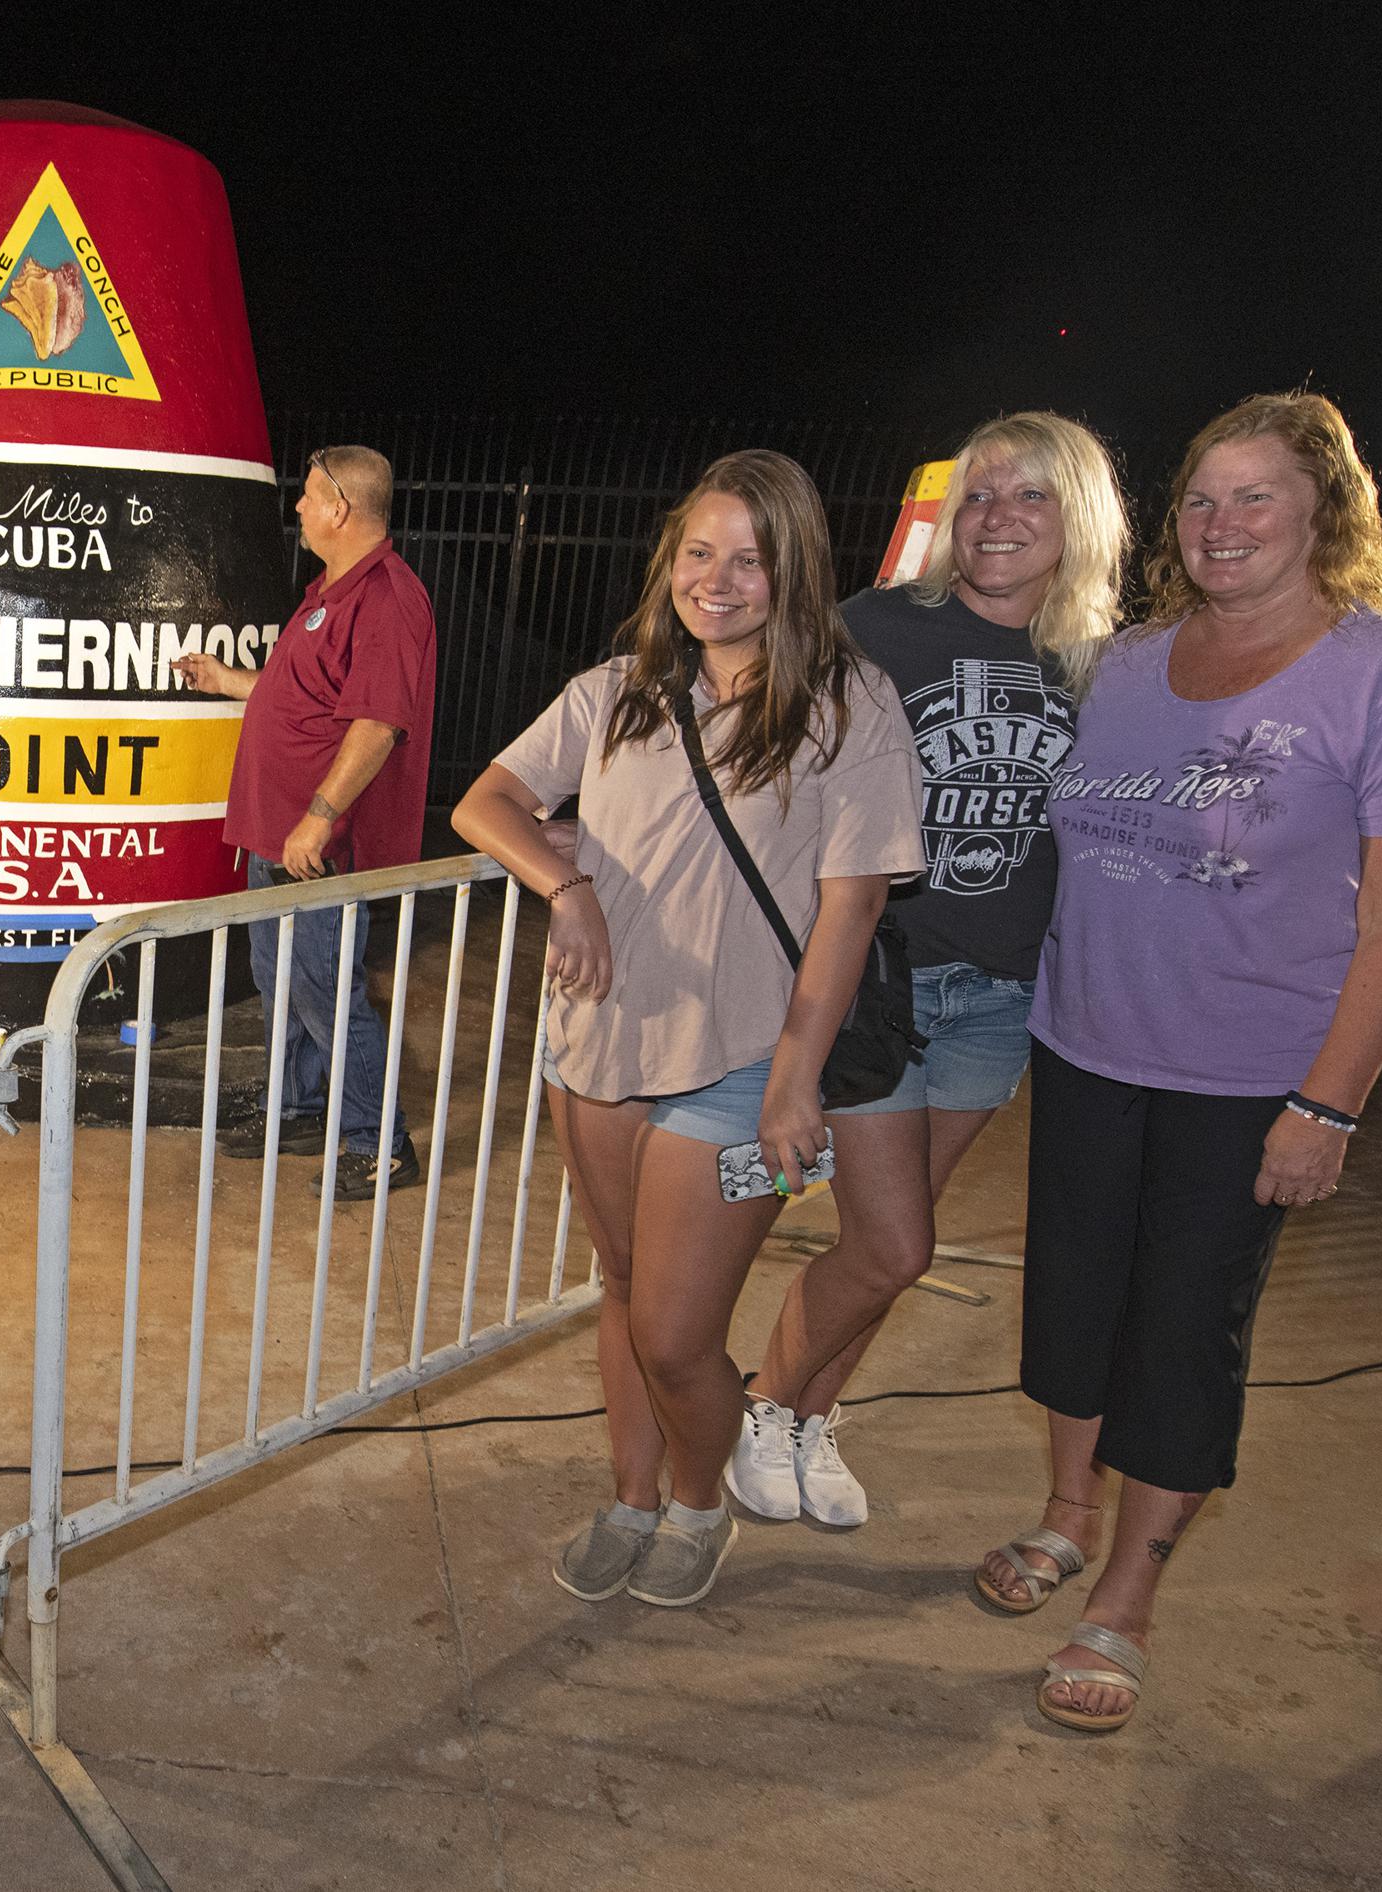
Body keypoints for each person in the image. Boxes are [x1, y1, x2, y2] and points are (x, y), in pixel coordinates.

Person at [986, 391, 1382, 1733]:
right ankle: (1065, 1515)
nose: (1219, 525)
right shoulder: (1135, 660)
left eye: (1255, 497)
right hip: (1087, 1048)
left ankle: (1126, 1601)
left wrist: (1326, 1105)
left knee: (1181, 1339)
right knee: (1077, 1306)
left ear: (1327, 511)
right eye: (1202, 498)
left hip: (1250, 1078)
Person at [452, 449, 923, 1608]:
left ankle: (700, 1498)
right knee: (621, 1285)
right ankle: (629, 1494)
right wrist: (566, 887)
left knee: (672, 1330)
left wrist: (796, 1080)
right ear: (671, 560)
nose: (718, 579)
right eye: (700, 553)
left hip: (742, 1060)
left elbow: (852, 903)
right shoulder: (613, 691)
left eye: (751, 558)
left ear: (794, 571)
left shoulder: (848, 705)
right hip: (597, 1046)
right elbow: (486, 800)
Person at [727, 413, 1131, 1528]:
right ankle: (765, 1402)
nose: (1000, 519)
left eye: (1031, 497)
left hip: (1001, 999)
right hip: (881, 985)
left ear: (1077, 521)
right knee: (896, 1243)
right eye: (983, 497)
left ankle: (812, 1420)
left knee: (883, 1247)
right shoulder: (879, 627)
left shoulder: (1103, 663)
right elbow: (753, 741)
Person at [175, 445, 437, 1201]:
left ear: (342, 509)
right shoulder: (331, 588)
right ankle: (297, 1107)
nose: (297, 508)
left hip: (317, 841)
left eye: (309, 495)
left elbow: (378, 723)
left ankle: (379, 1143)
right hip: (278, 829)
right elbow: (308, 693)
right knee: (282, 980)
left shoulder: (386, 598)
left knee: (324, 988)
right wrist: (228, 681)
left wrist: (319, 818)